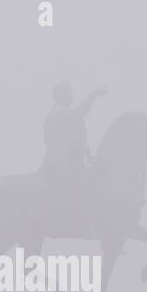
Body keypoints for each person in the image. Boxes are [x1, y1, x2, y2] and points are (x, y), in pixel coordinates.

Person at [41, 82, 106, 231]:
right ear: (59, 97)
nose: (71, 97)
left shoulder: (64, 114)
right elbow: (79, 113)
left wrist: (84, 152)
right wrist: (93, 96)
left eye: (71, 94)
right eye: (68, 94)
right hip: (62, 163)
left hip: (71, 160)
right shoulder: (59, 113)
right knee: (82, 184)